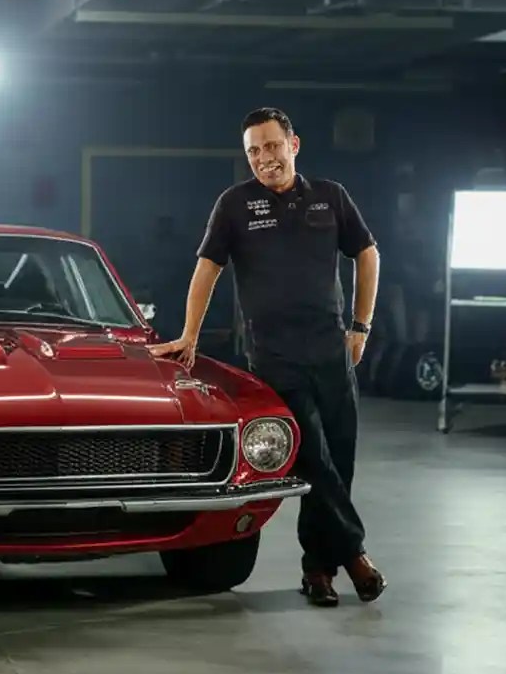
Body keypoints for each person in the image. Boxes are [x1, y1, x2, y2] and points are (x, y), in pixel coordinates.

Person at [150, 107, 387, 607]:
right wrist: (189, 333)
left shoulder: (330, 197)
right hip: (277, 360)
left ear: (293, 145)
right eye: (254, 151)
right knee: (315, 461)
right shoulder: (235, 205)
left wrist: (361, 327)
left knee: (338, 464)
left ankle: (317, 571)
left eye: (272, 146)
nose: (264, 158)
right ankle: (356, 555)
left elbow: (367, 253)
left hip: (333, 353)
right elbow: (207, 269)